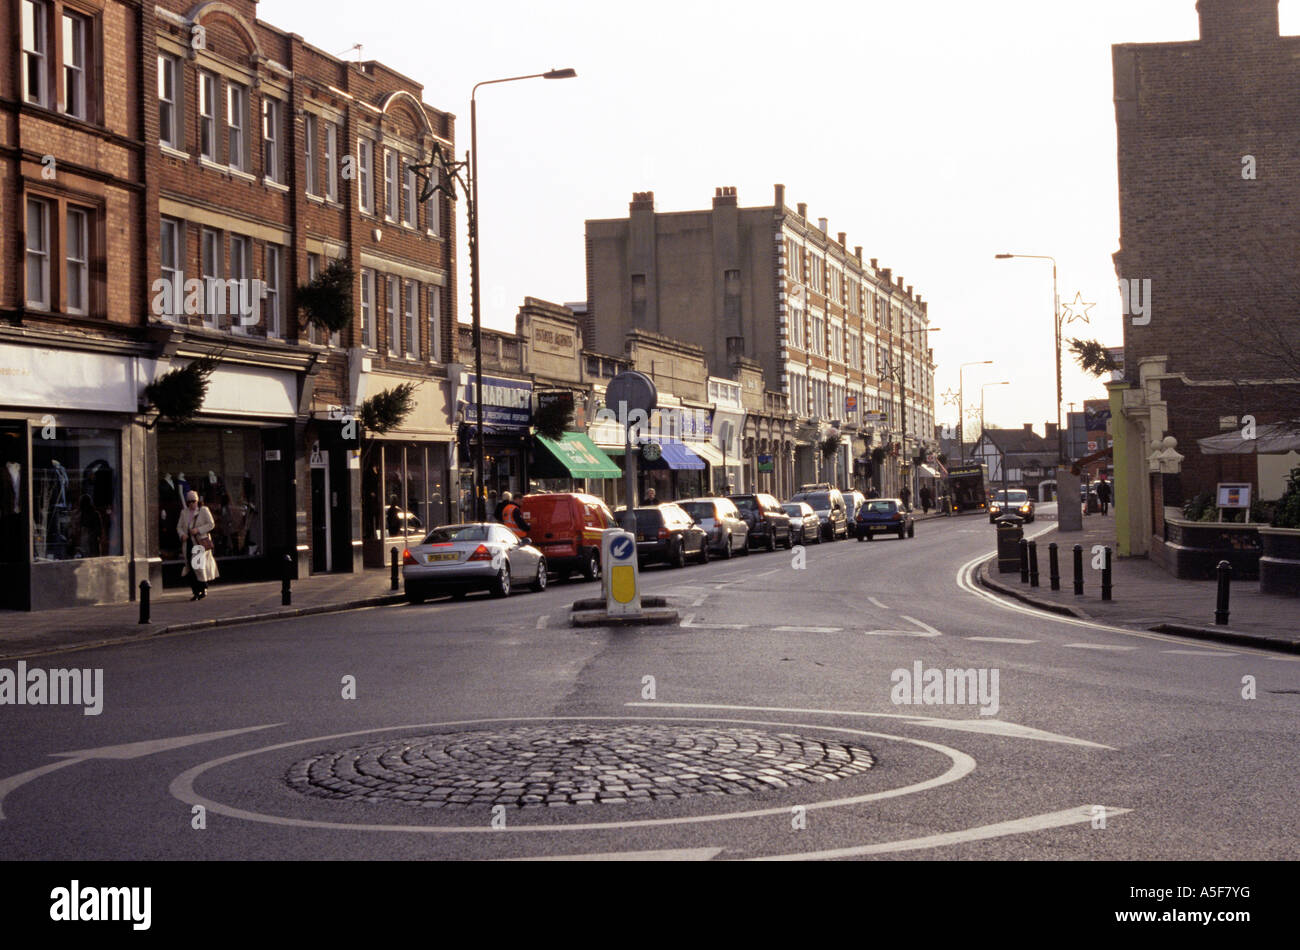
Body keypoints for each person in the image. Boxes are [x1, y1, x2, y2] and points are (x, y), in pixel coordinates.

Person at [177, 490, 218, 600]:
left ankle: (203, 589)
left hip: (199, 542)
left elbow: (211, 524)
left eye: (193, 501)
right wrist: (182, 535)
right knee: (190, 567)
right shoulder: (184, 512)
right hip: (188, 543)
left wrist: (198, 530)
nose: (191, 504)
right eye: (189, 501)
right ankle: (195, 592)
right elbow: (179, 527)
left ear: (197, 501)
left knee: (198, 566)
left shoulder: (203, 510)